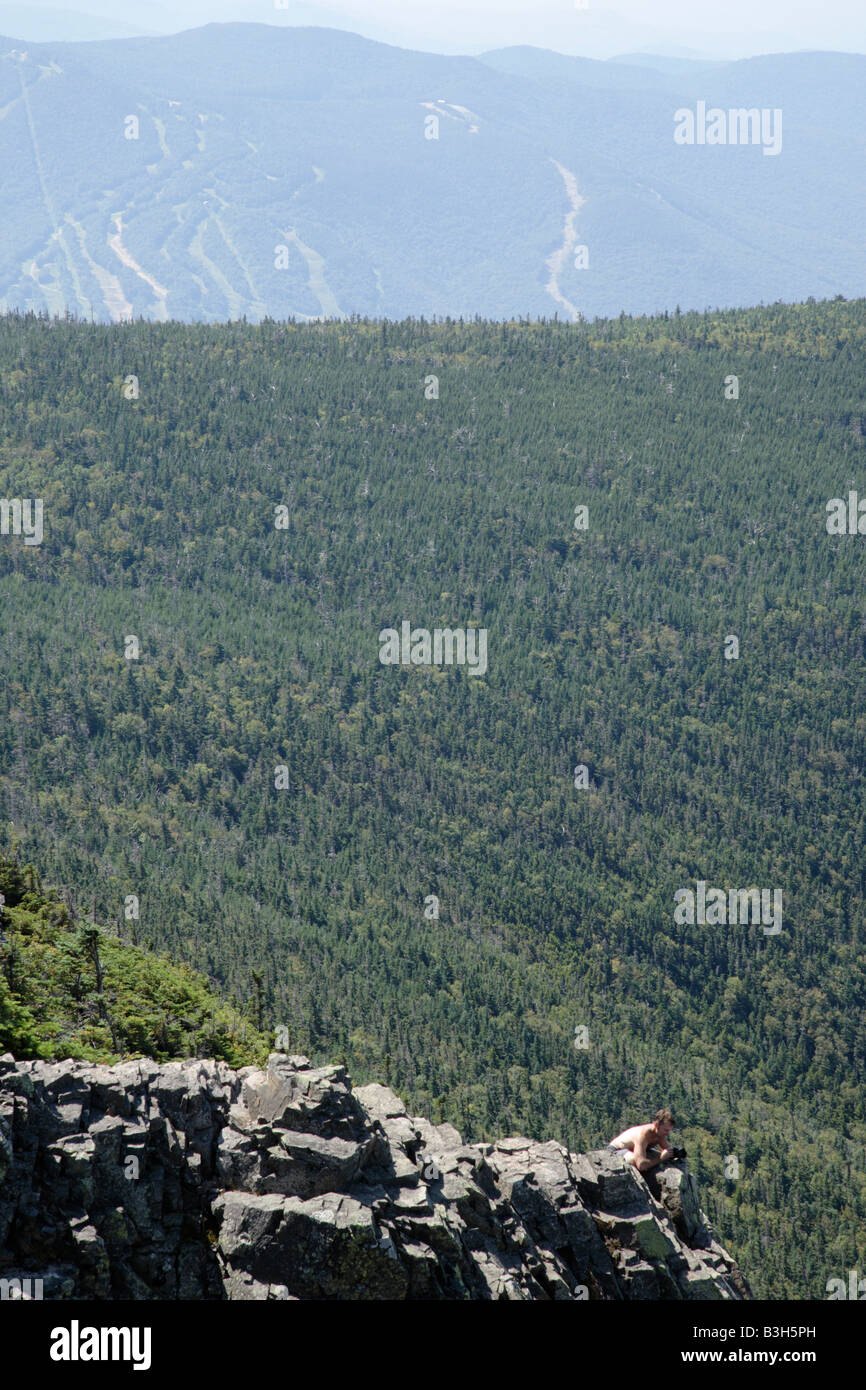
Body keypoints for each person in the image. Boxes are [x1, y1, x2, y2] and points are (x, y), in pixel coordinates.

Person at [608, 1108, 676, 1172]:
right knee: (633, 1160)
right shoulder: (642, 1135)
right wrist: (661, 1158)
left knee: (659, 1156)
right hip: (616, 1150)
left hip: (633, 1150)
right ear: (656, 1125)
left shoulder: (659, 1134)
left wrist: (675, 1154)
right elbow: (641, 1166)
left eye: (669, 1130)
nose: (667, 1134)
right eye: (666, 1130)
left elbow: (668, 1150)